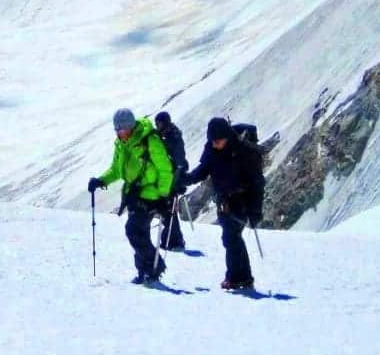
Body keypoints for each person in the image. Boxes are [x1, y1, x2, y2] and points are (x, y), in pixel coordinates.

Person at [88, 108, 175, 284]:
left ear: (132, 126)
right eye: (117, 130)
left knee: (133, 230)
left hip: (150, 195)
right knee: (140, 233)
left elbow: (165, 168)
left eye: (123, 129)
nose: (120, 133)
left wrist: (164, 195)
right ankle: (145, 272)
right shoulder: (121, 144)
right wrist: (101, 180)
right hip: (133, 195)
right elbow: (117, 170)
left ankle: (154, 268)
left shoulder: (149, 140)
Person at [185, 118, 264, 290]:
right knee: (232, 238)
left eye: (218, 141)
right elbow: (203, 170)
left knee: (231, 237)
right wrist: (187, 179)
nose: (215, 144)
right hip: (224, 201)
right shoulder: (211, 149)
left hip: (241, 200)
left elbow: (257, 183)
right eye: (212, 141)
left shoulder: (244, 151)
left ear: (227, 137)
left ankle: (236, 278)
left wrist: (255, 210)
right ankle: (244, 277)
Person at [154, 111, 188, 252]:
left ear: (165, 122)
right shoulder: (168, 135)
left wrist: (178, 179)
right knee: (168, 211)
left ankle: (173, 241)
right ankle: (174, 239)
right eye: (157, 124)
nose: (158, 126)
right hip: (169, 178)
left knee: (169, 211)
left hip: (173, 179)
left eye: (159, 123)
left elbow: (178, 160)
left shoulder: (173, 137)